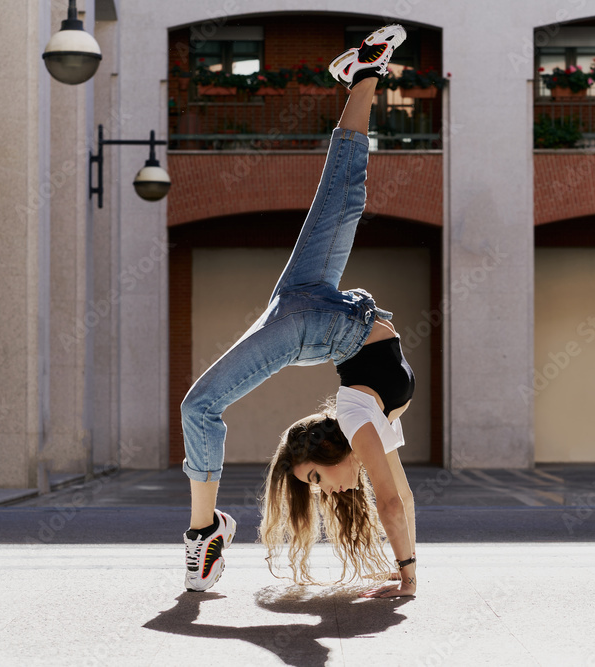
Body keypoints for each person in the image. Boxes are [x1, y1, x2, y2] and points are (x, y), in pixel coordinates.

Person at [181, 24, 417, 599]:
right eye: (316, 483)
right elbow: (397, 498)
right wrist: (407, 574)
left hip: (310, 323)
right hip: (320, 313)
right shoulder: (370, 427)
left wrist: (409, 574)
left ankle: (203, 532)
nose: (323, 491)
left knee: (200, 405)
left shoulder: (362, 422)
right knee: (345, 195)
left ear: (329, 447)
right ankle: (364, 74)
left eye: (312, 479)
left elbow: (392, 499)